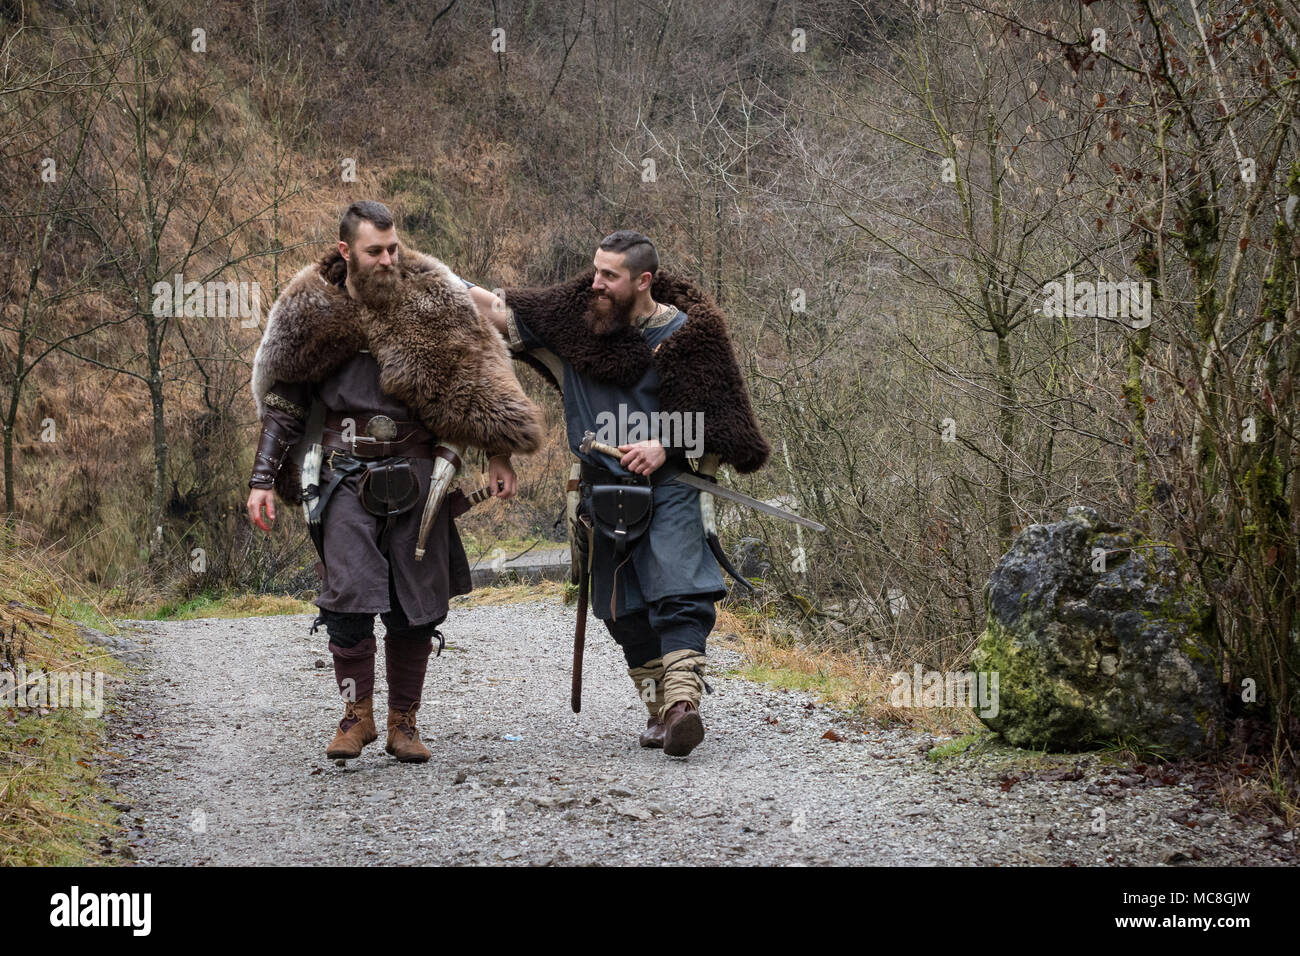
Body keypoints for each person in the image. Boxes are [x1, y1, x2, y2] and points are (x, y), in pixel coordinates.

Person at [246, 200, 542, 763]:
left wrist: (499, 455)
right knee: (348, 598)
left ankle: (404, 722)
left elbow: (478, 376)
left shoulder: (431, 298)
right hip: (341, 475)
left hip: (418, 473)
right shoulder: (313, 310)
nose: (387, 259)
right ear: (345, 252)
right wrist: (263, 479)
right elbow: (285, 403)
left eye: (393, 248)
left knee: (415, 604)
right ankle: (356, 718)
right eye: (374, 251)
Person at [480, 230, 770, 757]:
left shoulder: (690, 337)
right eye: (595, 271)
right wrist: (419, 273)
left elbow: (730, 426)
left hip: (673, 485)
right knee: (620, 609)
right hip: (602, 491)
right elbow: (491, 309)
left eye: (609, 276)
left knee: (679, 593)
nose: (596, 284)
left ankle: (684, 707)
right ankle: (661, 712)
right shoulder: (578, 332)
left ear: (643, 280)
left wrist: (665, 443)